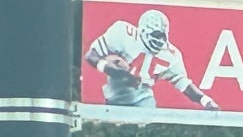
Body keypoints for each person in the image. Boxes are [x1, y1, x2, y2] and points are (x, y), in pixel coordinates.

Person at [84, 9, 219, 110]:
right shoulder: (122, 32)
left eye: (163, 36)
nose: (160, 40)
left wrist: (205, 100)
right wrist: (111, 69)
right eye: (156, 35)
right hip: (114, 95)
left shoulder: (171, 54)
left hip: (143, 97)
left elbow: (184, 85)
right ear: (142, 31)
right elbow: (91, 56)